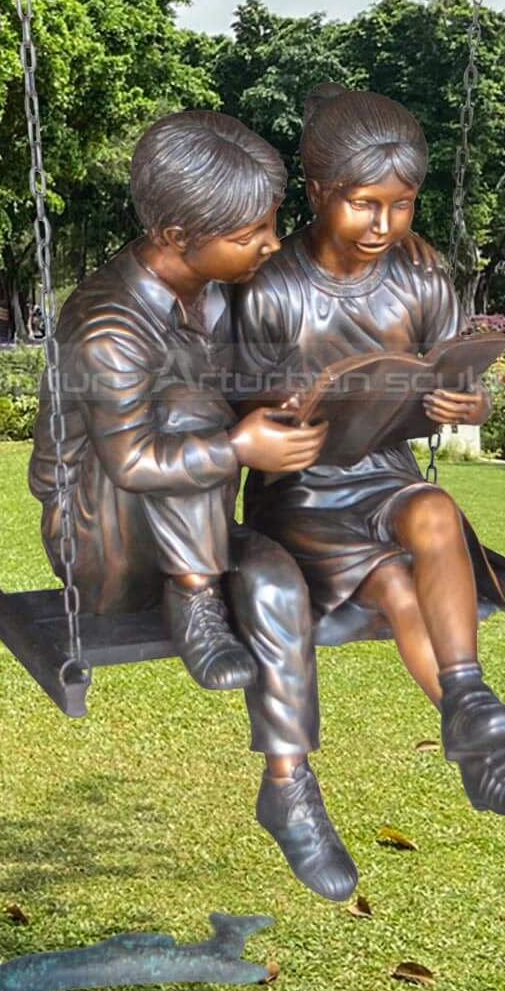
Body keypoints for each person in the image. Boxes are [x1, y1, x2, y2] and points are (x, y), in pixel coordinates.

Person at [28, 109, 357, 898]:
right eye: (253, 232)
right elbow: (135, 461)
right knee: (185, 415)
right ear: (177, 235)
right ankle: (194, 598)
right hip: (102, 539)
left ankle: (288, 788)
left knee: (277, 583)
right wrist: (243, 447)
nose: (271, 243)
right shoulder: (106, 324)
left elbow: (245, 389)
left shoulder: (217, 295)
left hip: (196, 524)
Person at [233, 84, 505, 816]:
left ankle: (468, 699)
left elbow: (458, 371)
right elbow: (238, 416)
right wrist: (275, 415)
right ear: (318, 192)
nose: (384, 222)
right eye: (364, 203)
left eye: (401, 204)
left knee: (436, 510)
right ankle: (489, 762)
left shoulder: (419, 276)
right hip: (301, 495)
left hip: (385, 473)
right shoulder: (271, 285)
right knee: (395, 586)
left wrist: (469, 403)